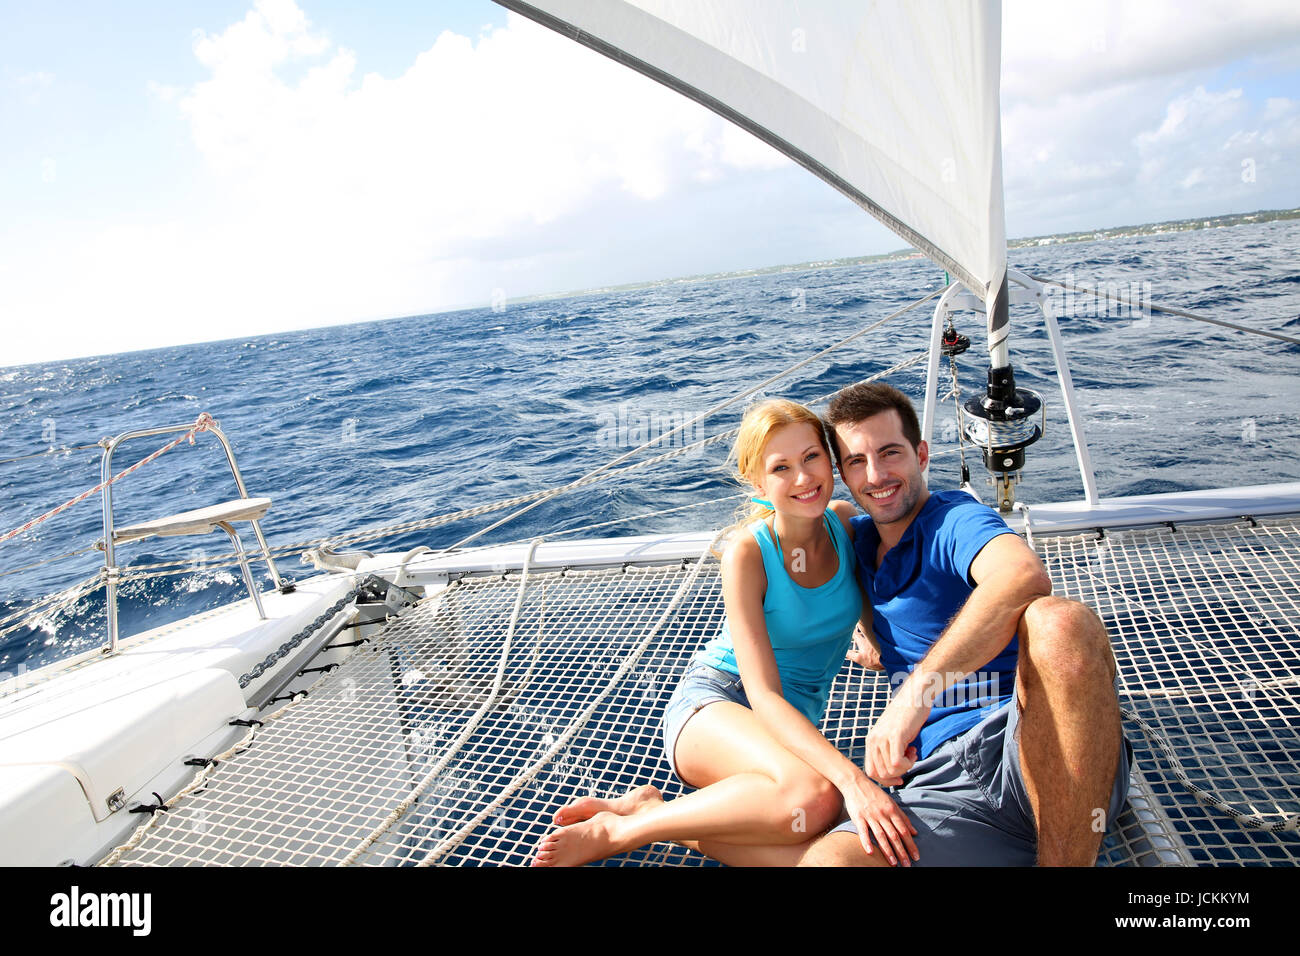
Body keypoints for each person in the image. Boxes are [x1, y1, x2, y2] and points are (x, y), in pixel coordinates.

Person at [532, 398, 918, 867]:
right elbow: (765, 695)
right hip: (716, 707)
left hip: (786, 736)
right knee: (819, 798)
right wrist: (852, 781)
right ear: (758, 482)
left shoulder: (841, 522)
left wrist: (876, 642)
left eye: (811, 456)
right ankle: (625, 830)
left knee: (829, 841)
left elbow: (861, 598)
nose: (803, 478)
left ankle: (656, 814)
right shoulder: (748, 554)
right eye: (781, 467)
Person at [797, 381, 1131, 866]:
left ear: (922, 454)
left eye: (890, 453)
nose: (876, 474)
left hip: (1038, 746)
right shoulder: (855, 541)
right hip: (945, 783)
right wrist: (872, 640)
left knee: (1059, 623)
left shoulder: (954, 519)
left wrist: (914, 695)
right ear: (842, 474)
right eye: (856, 461)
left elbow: (1022, 576)